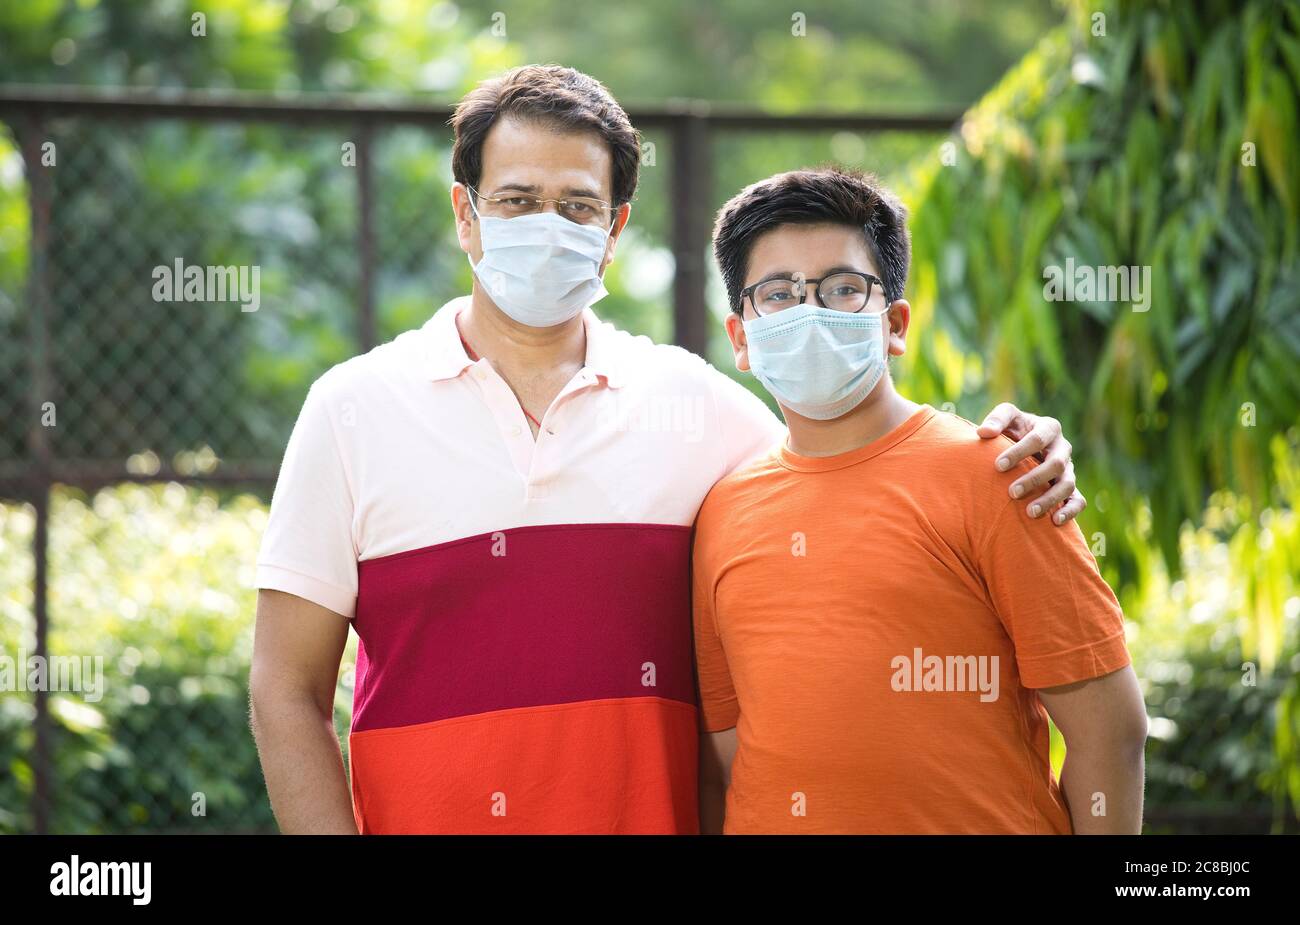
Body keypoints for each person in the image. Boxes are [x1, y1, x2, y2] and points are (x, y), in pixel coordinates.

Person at [249, 66, 1088, 834]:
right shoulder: (350, 411)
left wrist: (1013, 443)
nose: (549, 226)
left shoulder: (703, 412)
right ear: (466, 214)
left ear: (613, 230)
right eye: (516, 200)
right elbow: (287, 692)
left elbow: (854, 456)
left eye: (578, 206)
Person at [693, 166, 1148, 834]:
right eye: (779, 294)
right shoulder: (722, 512)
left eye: (844, 288)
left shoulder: (1004, 472)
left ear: (895, 323)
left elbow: (1110, 732)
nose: (810, 310)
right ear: (740, 338)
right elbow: (730, 753)